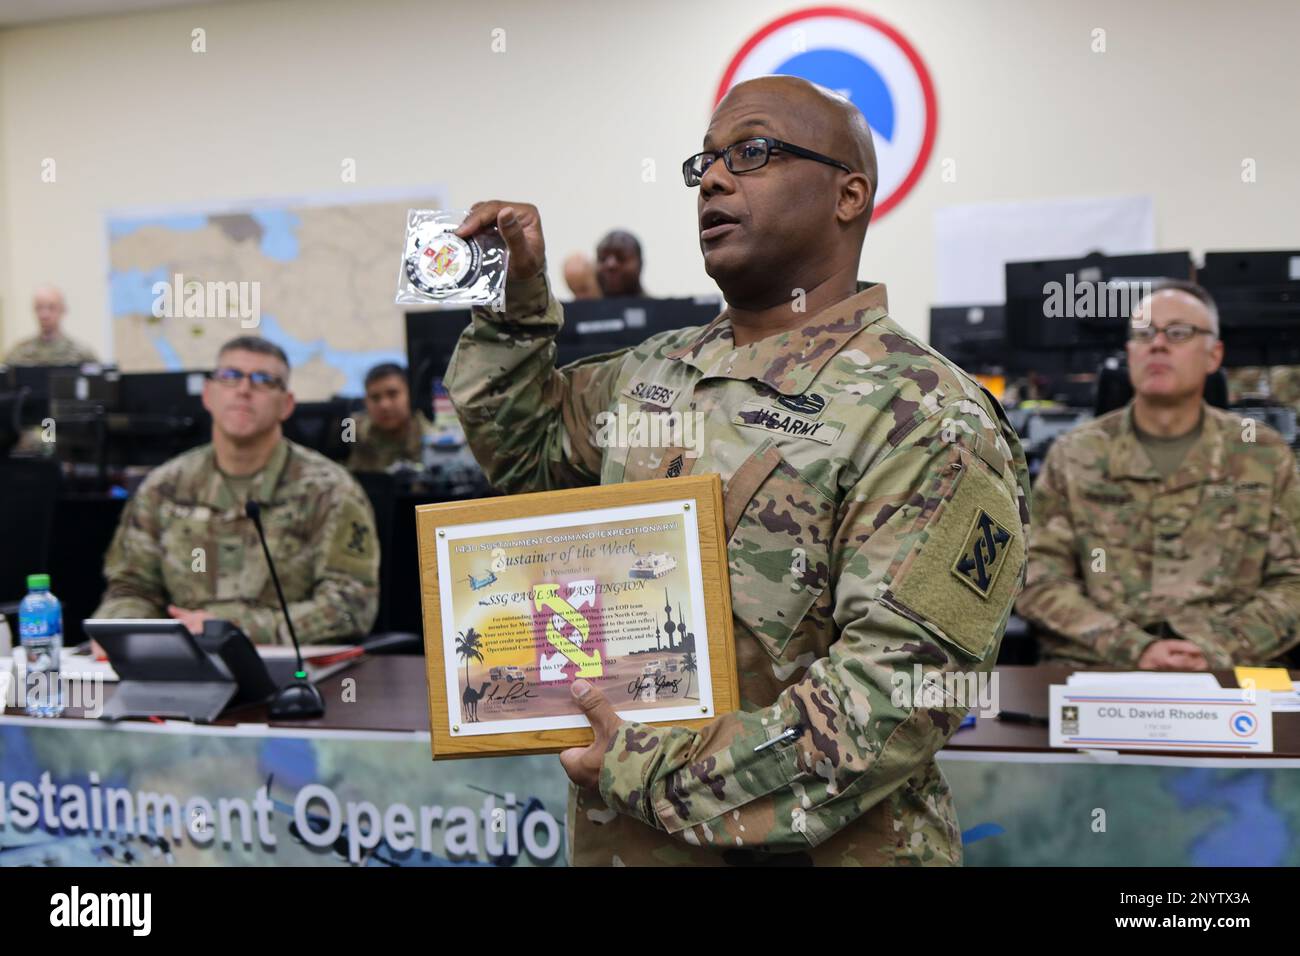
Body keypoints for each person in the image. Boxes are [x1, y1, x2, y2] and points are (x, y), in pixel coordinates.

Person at [446, 75, 1030, 866]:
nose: (714, 178)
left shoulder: (925, 412)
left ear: (847, 195)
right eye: (707, 161)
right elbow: (520, 454)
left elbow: (901, 693)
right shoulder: (653, 371)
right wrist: (514, 297)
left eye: (752, 153)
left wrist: (648, 771)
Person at [1017, 280, 1300, 669]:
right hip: (1103, 669)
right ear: (1129, 352)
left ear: (1214, 355)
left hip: (1232, 675)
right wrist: (1134, 647)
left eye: (1178, 333)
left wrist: (1214, 649)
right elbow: (1038, 580)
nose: (1158, 344)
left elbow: (1293, 582)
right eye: (1144, 333)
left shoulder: (1263, 455)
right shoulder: (1076, 454)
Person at [94, 335, 379, 645]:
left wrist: (236, 630)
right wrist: (122, 633)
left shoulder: (330, 490)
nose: (244, 390)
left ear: (286, 405)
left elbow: (350, 606)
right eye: (230, 376)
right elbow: (131, 588)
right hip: (186, 668)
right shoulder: (164, 487)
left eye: (262, 380)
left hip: (290, 671)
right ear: (208, 394)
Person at [345, 363, 435, 472]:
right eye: (375, 398)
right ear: (365, 402)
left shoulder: (431, 439)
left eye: (393, 394)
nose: (384, 405)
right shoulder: (352, 431)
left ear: (411, 395)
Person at [4, 286, 97, 366]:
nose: (44, 314)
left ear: (63, 310)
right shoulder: (19, 353)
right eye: (39, 307)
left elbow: (98, 383)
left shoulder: (81, 354)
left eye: (51, 307)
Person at [594, 230, 644, 297]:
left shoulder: (659, 307)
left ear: (640, 263)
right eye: (603, 258)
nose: (610, 265)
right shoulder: (582, 306)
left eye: (621, 257)